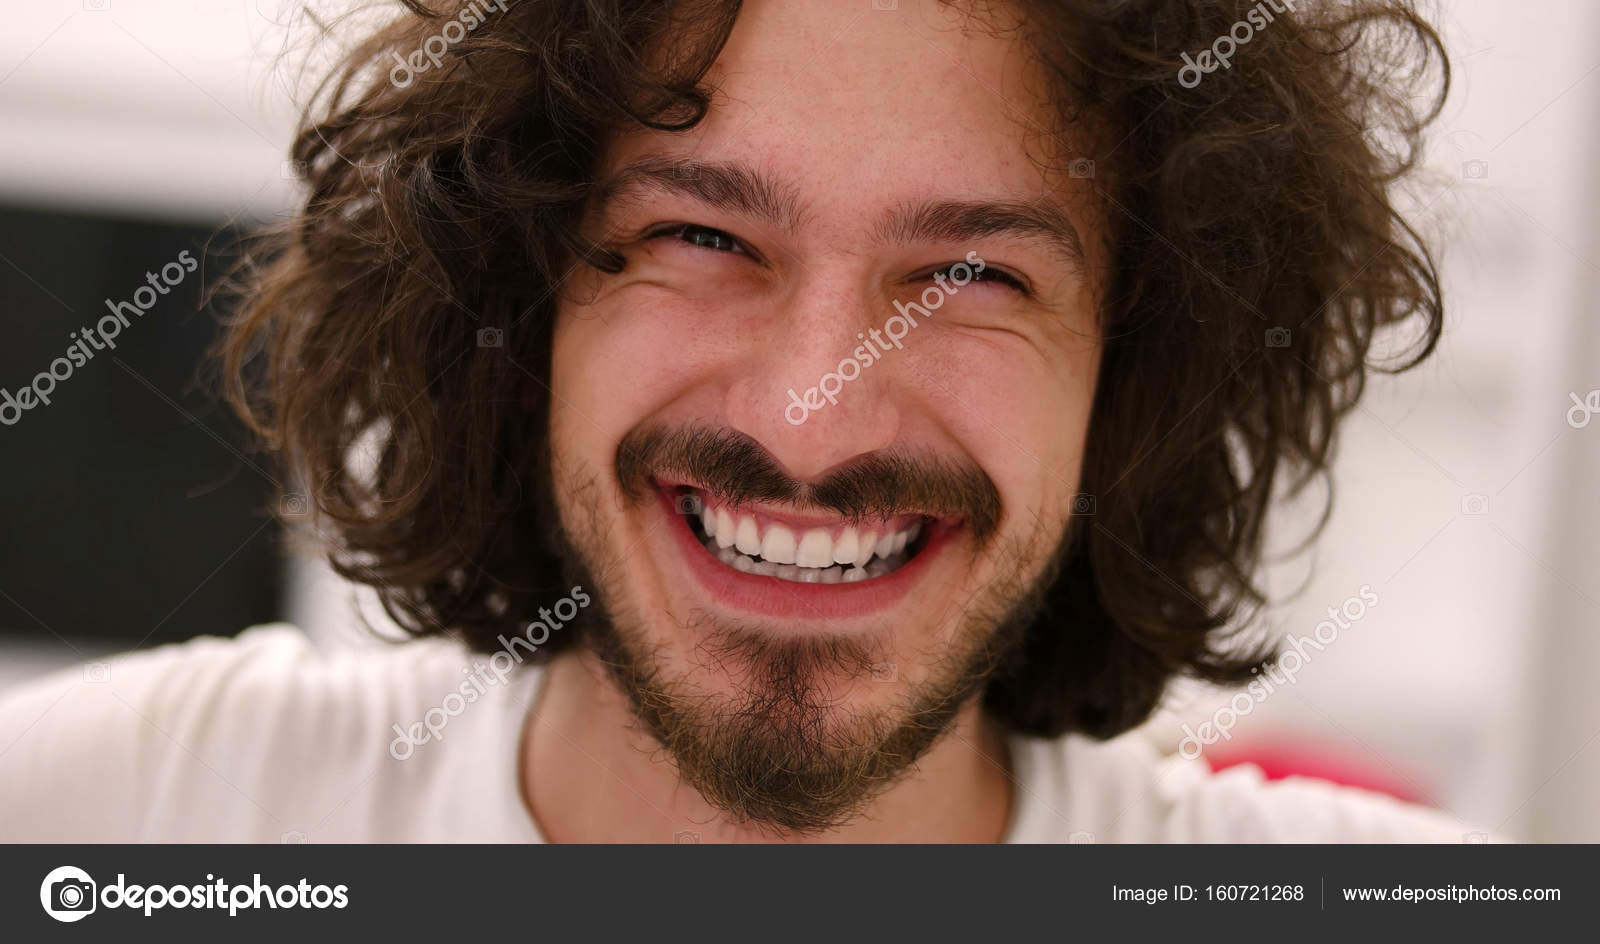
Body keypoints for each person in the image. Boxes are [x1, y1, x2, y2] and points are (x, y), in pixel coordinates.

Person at [0, 0, 1472, 842]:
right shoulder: (123, 817)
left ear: (1132, 378)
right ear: (524, 319)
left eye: (970, 274)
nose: (810, 415)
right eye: (701, 238)